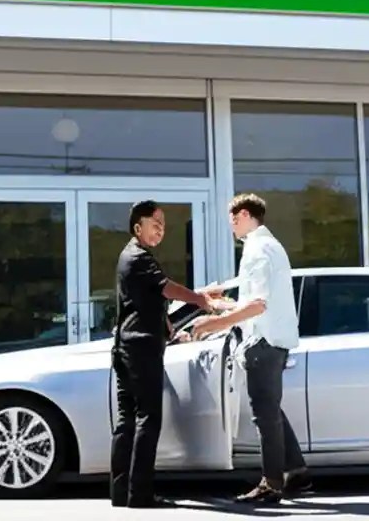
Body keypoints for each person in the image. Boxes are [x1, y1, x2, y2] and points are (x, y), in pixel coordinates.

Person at [191, 193, 311, 505]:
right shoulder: (270, 246)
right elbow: (252, 302)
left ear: (244, 214)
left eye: (232, 219)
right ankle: (295, 471)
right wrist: (217, 305)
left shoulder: (257, 249)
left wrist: (213, 325)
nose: (230, 226)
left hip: (263, 342)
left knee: (264, 414)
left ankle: (271, 484)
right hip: (273, 341)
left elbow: (257, 306)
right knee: (270, 408)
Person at [110, 199, 226, 509]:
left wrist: (197, 300)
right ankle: (141, 495)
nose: (161, 230)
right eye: (155, 224)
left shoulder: (131, 256)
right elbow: (167, 289)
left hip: (127, 346)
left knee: (127, 421)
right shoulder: (139, 256)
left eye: (164, 225)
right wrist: (200, 298)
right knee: (148, 419)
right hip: (141, 348)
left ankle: (122, 493)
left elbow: (156, 300)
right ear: (138, 227)